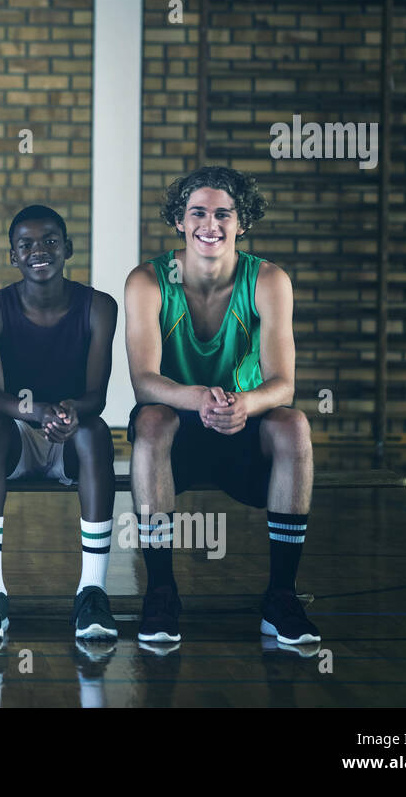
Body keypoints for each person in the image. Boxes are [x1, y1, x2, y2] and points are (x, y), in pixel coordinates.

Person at [123, 167, 319, 646]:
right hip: (178, 431)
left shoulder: (269, 280)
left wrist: (244, 403)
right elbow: (144, 382)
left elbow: (284, 384)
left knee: (293, 424)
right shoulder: (148, 280)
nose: (210, 224)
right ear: (179, 220)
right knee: (149, 421)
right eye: (198, 213)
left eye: (223, 214)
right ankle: (162, 593)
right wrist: (202, 399)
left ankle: (280, 597)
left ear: (242, 221)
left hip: (242, 428)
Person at [0, 205, 118, 641]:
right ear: (12, 256)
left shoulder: (99, 307)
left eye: (50, 240)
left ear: (67, 248)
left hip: (71, 436)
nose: (39, 250)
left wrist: (69, 412)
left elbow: (98, 396)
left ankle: (92, 592)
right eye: (26, 244)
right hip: (19, 432)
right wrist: (39, 411)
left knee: (96, 431)